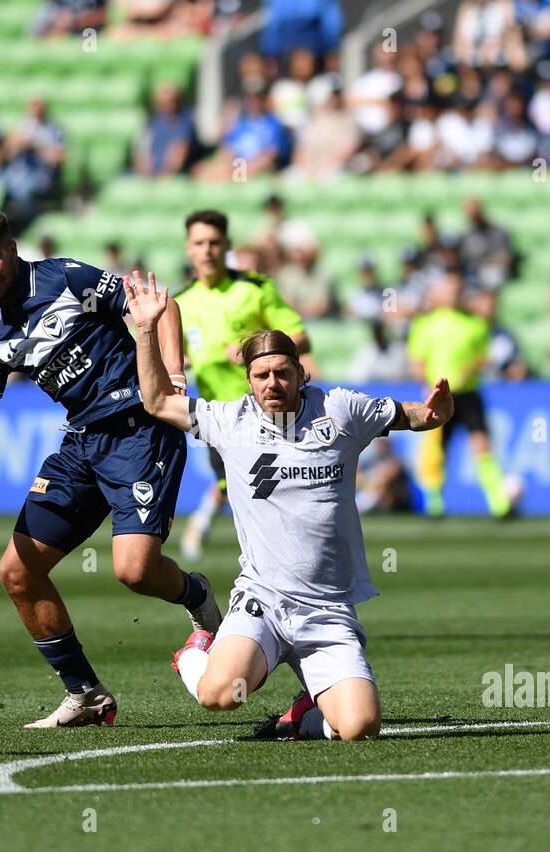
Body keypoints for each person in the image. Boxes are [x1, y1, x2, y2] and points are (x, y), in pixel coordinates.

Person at [126, 277, 454, 741]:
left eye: (282, 373)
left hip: (328, 610)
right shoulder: (229, 421)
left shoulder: (341, 411)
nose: (273, 383)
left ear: (302, 374)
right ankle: (195, 652)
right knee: (221, 695)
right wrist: (145, 330)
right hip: (263, 602)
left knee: (360, 727)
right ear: (249, 381)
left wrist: (435, 413)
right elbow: (158, 401)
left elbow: (411, 414)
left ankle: (301, 717)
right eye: (262, 375)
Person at [0, 208, 221, 728]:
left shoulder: (65, 278)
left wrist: (174, 377)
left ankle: (197, 594)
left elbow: (162, 307)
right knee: (17, 572)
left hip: (139, 429)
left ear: (12, 248)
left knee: (134, 571)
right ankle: (86, 693)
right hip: (81, 442)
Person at [173, 209, 310, 561]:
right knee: (236, 487)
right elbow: (173, 358)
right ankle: (263, 559)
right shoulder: (182, 303)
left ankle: (217, 534)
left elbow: (300, 338)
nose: (207, 251)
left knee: (272, 488)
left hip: (269, 408)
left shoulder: (255, 289)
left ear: (227, 246)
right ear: (188, 248)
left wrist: (253, 351)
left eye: (214, 242)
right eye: (199, 243)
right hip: (218, 415)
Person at [407, 269, 521, 519]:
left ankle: (499, 502)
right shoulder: (425, 325)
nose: (453, 294)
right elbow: (418, 362)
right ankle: (434, 503)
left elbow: (482, 357)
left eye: (457, 290)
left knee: (481, 445)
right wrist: (426, 386)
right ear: (439, 293)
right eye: (449, 289)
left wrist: (468, 371)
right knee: (436, 451)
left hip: (467, 394)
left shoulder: (475, 325)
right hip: (437, 397)